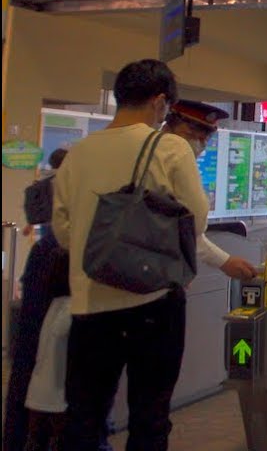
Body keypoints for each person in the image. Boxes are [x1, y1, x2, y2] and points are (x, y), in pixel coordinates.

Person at [51, 59, 239, 450]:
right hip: (153, 301)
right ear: (160, 103)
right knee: (149, 415)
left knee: (85, 415)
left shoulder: (78, 153)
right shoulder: (168, 146)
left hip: (90, 304)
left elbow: (63, 230)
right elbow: (196, 220)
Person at [4, 148, 74, 451]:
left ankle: (21, 438)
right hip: (58, 271)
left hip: (47, 267)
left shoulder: (49, 187)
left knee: (31, 360)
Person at [161, 99, 257, 283]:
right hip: (155, 277)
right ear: (168, 127)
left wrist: (225, 262)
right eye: (190, 134)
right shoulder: (177, 153)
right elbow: (194, 224)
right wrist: (224, 261)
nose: (200, 144)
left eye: (204, 138)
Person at [23, 249, 72, 451]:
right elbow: (61, 332)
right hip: (56, 386)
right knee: (58, 434)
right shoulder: (70, 306)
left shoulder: (52, 305)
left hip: (40, 384)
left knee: (37, 435)